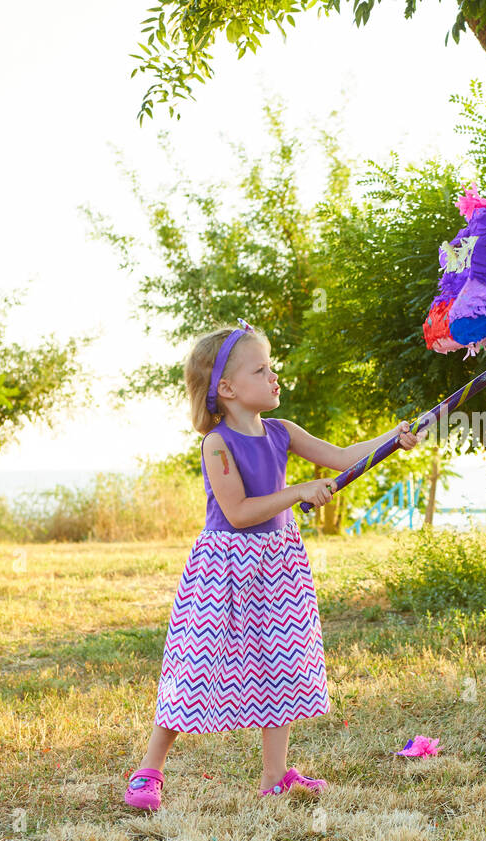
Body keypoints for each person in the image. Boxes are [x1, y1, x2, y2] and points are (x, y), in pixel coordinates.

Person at [124, 324, 426, 810]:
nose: (274, 376)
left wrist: (396, 436)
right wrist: (300, 491)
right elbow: (240, 512)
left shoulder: (282, 432)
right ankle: (148, 771)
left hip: (277, 567)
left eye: (272, 366)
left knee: (280, 665)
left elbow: (345, 457)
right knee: (196, 668)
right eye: (261, 369)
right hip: (223, 571)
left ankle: (275, 776)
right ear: (226, 388)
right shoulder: (217, 445)